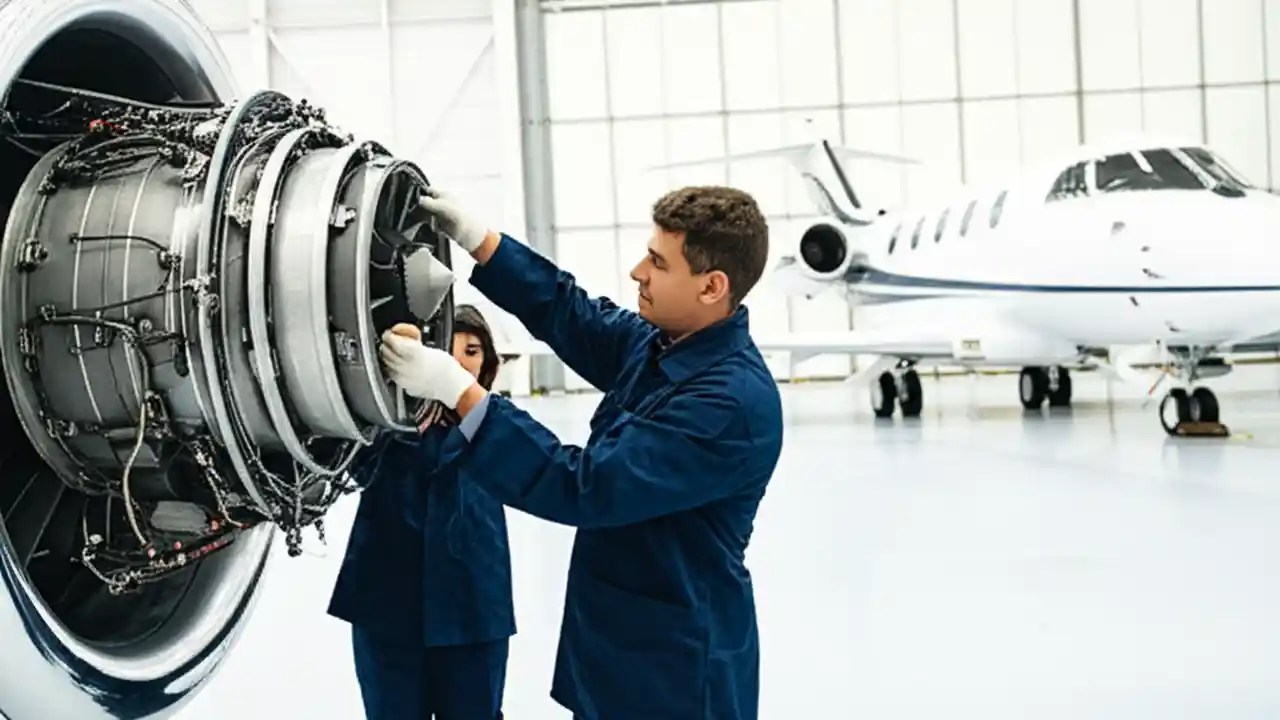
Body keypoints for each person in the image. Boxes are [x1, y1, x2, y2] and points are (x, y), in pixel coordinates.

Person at [378, 185, 784, 720]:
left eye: (659, 263)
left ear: (712, 287)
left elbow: (583, 486)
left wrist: (460, 391)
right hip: (617, 649)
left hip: (678, 672)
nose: (638, 271)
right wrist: (481, 241)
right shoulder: (661, 345)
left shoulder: (730, 403)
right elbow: (569, 311)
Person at [328, 304, 514, 720]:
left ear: (486, 364)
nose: (459, 361)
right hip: (387, 608)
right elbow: (351, 467)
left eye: (472, 351)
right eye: (447, 350)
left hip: (473, 612)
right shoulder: (385, 424)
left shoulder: (498, 428)